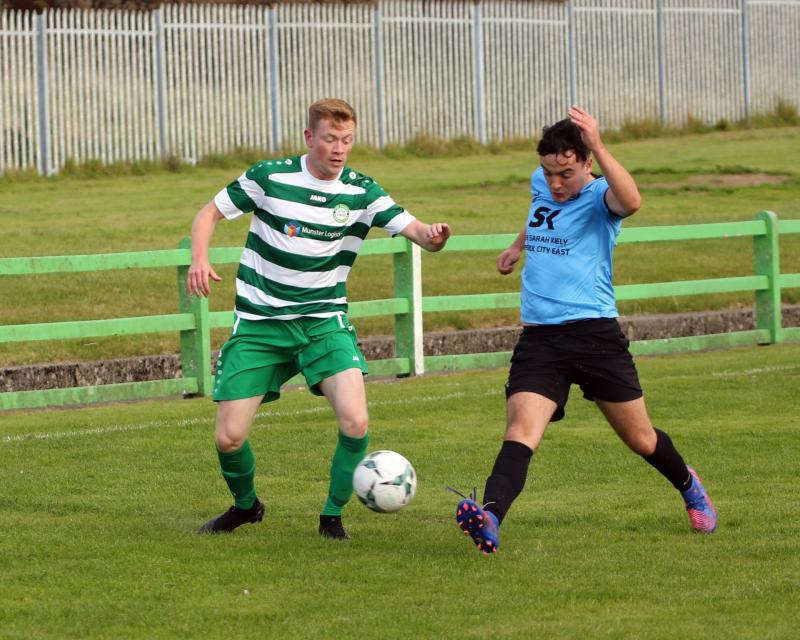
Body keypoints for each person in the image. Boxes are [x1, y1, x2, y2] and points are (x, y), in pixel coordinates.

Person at [453, 106, 717, 555]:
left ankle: (689, 485)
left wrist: (598, 143)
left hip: (595, 337)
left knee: (641, 439)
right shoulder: (544, 184)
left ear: (587, 163)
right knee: (520, 431)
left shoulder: (600, 198)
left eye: (567, 173)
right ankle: (491, 518)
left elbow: (632, 200)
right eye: (548, 171)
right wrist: (516, 247)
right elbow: (540, 212)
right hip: (540, 339)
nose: (556, 183)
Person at [188, 98, 451, 540]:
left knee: (356, 420)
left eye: (347, 140)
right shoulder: (269, 177)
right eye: (330, 139)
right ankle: (246, 506)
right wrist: (199, 257)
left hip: (322, 322)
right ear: (310, 137)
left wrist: (435, 236)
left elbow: (419, 233)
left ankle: (331, 517)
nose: (339, 148)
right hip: (260, 323)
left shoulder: (361, 191)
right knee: (228, 438)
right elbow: (209, 212)